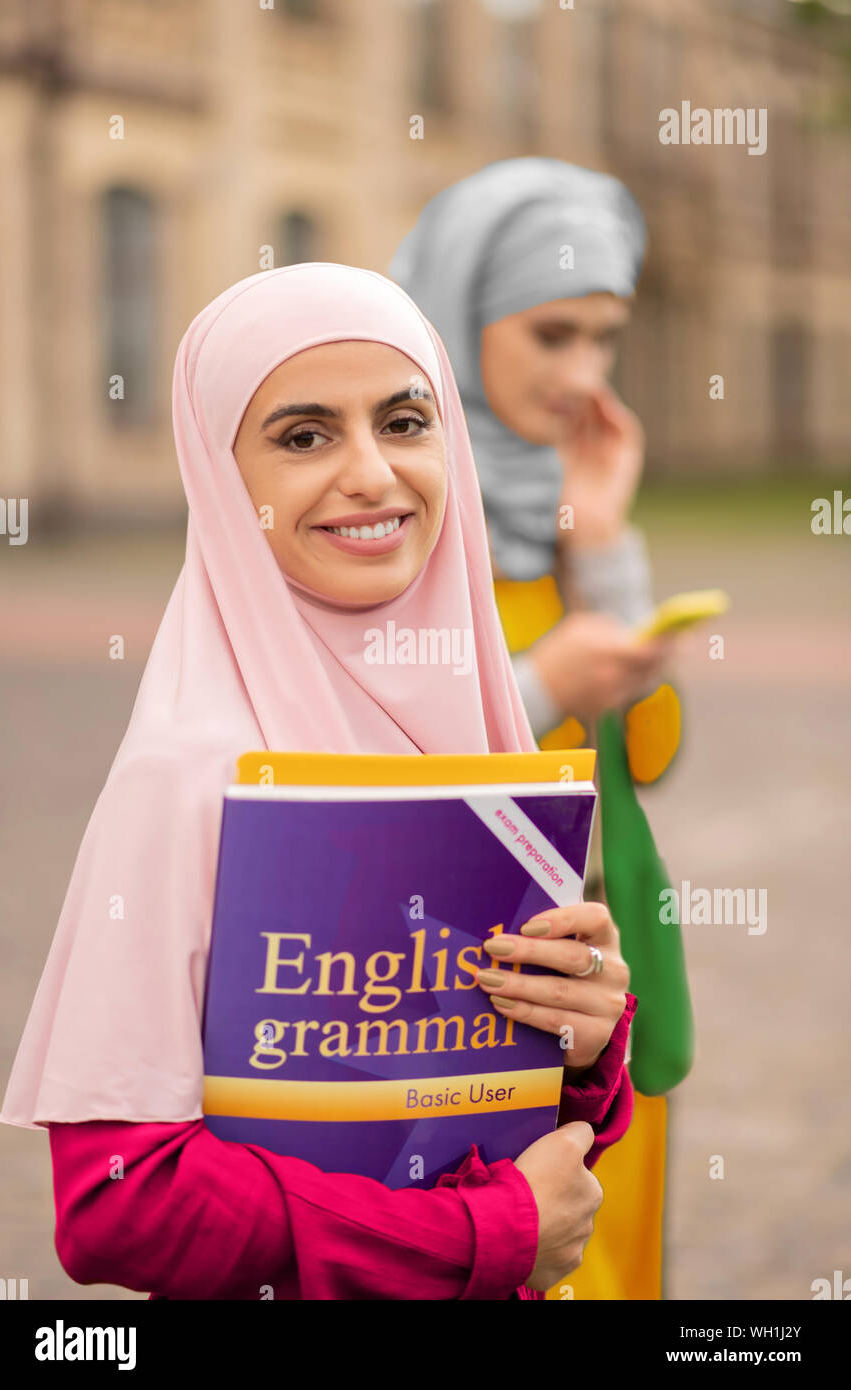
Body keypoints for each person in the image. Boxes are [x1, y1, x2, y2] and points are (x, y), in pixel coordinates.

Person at [0, 263, 638, 1301]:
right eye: (303, 437)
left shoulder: (475, 722)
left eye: (402, 421)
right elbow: (120, 1202)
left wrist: (586, 1038)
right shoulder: (191, 772)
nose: (373, 475)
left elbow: (517, 1126)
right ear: (221, 475)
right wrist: (482, 1235)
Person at [389, 158, 695, 1300]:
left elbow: (650, 756)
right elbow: (375, 766)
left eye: (605, 339)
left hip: (615, 984)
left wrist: (603, 540)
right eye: (552, 334)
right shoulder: (387, 517)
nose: (583, 374)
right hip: (464, 995)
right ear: (461, 316)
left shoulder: (569, 501)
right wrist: (541, 679)